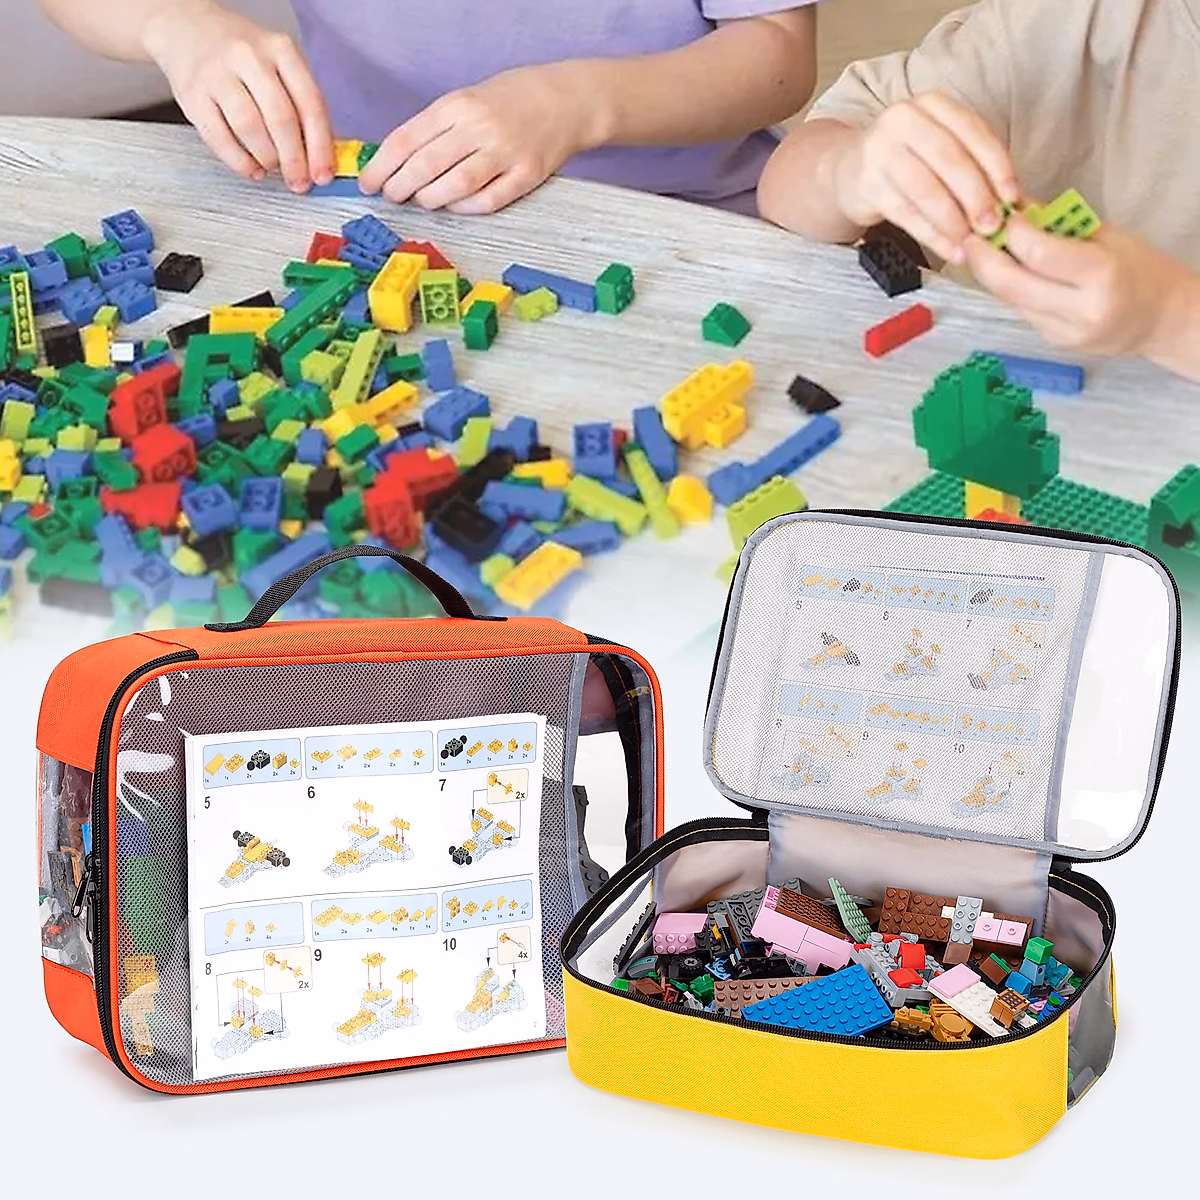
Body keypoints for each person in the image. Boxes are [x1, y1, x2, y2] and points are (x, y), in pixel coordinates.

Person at [757, 0, 1200, 382]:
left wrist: (1172, 318)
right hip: (983, 380)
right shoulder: (1063, 20)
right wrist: (847, 171)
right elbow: (789, 186)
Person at [40, 0, 826, 215]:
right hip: (368, 206)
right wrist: (174, 22)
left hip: (673, 216)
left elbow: (776, 55)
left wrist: (577, 103)